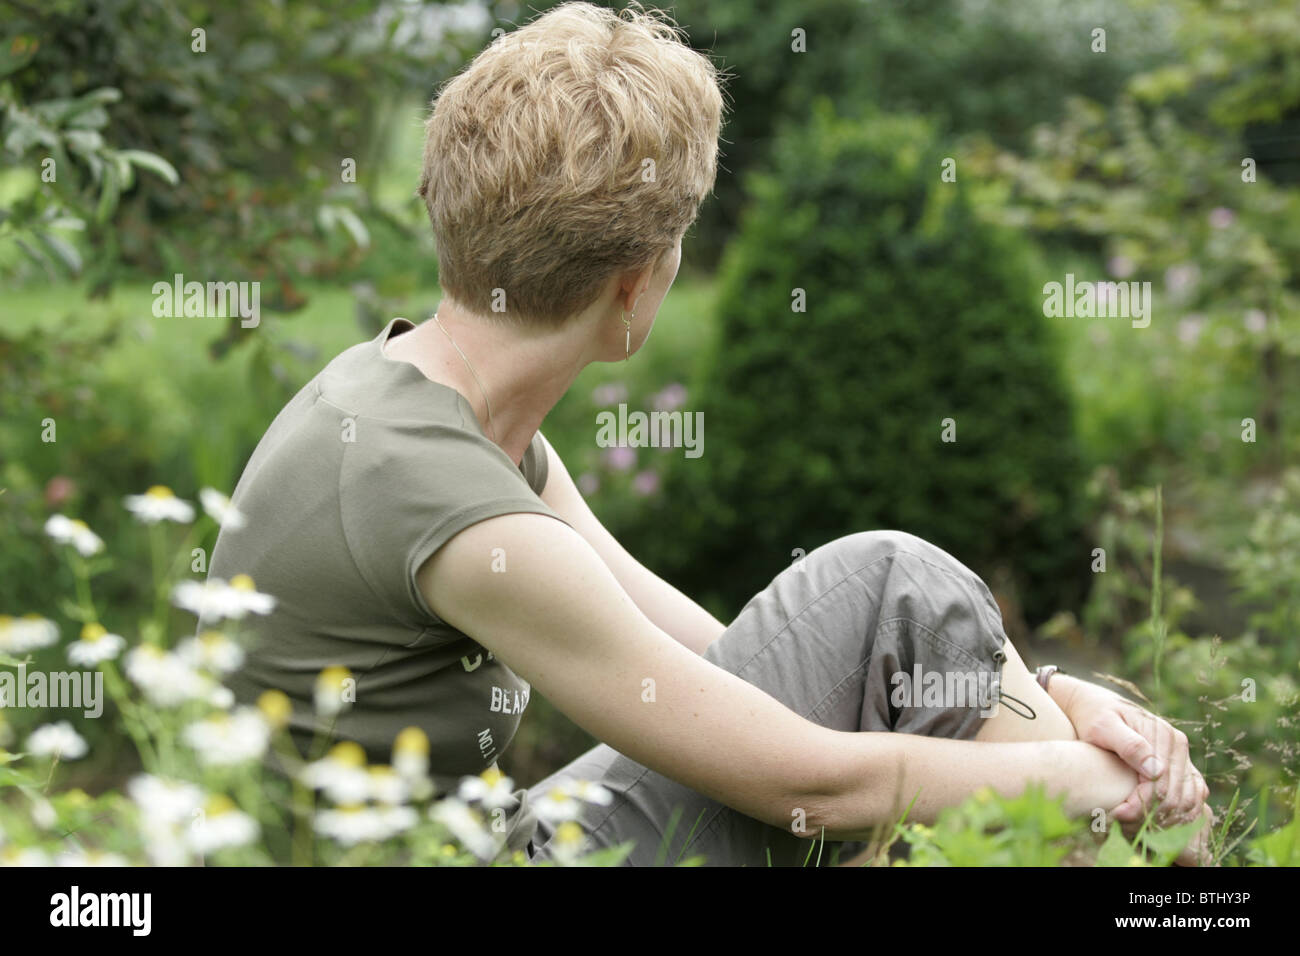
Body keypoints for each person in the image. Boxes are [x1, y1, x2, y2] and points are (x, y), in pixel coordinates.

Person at [210, 1, 1212, 866]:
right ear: (633, 285)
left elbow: (707, 659)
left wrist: (1052, 694)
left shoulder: (435, 408)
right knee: (901, 601)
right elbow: (808, 784)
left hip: (477, 835)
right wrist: (1083, 774)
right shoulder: (461, 513)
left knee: (899, 598)